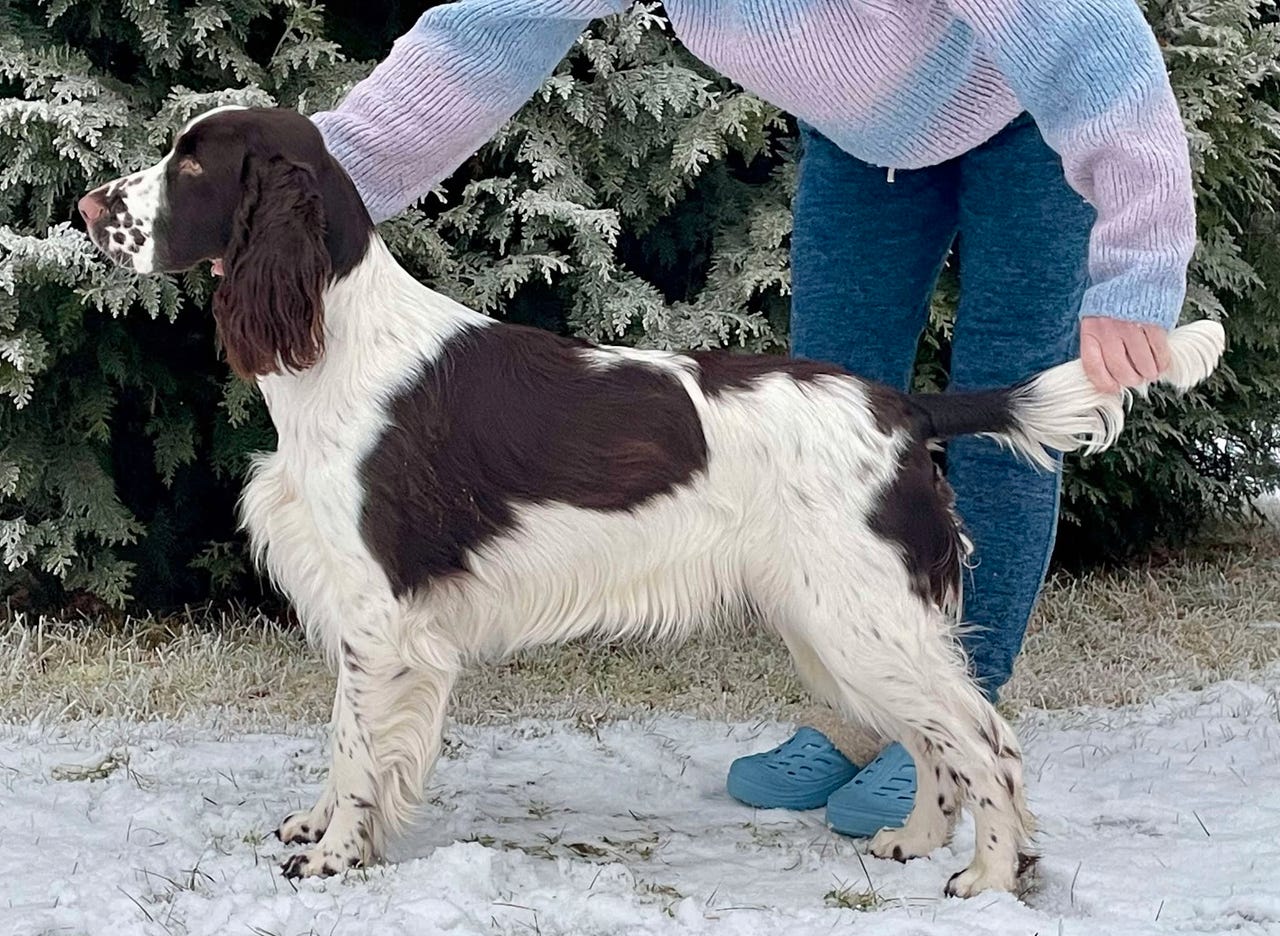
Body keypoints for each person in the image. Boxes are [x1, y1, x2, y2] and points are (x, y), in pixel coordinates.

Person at [313, 0, 1196, 834]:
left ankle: (950, 715)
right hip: (864, 147)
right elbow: (485, 34)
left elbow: (1087, 45)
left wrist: (1138, 265)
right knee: (828, 430)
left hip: (1027, 124)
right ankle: (855, 714)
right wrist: (303, 184)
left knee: (1001, 419)